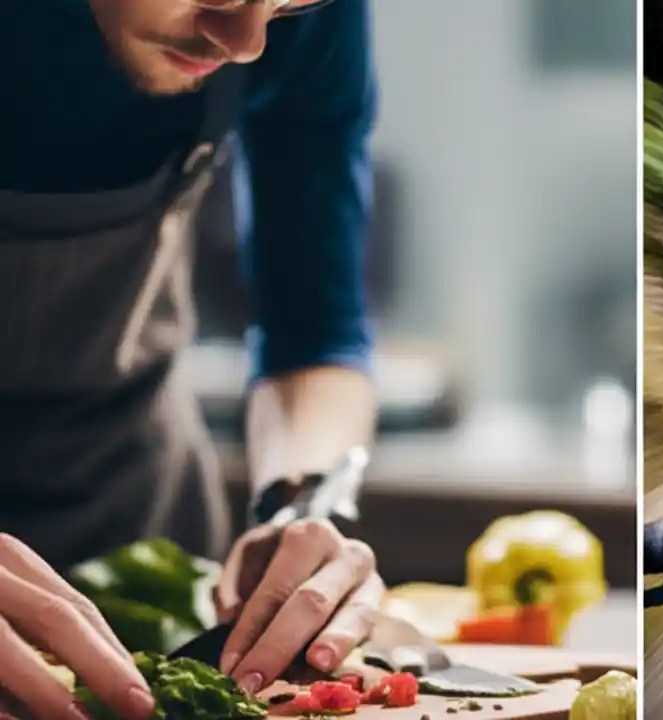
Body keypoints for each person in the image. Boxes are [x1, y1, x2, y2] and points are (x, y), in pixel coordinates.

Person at [0, 0, 385, 717]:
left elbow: (316, 331)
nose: (248, 40)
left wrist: (297, 506)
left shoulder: (294, 22)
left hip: (137, 518)